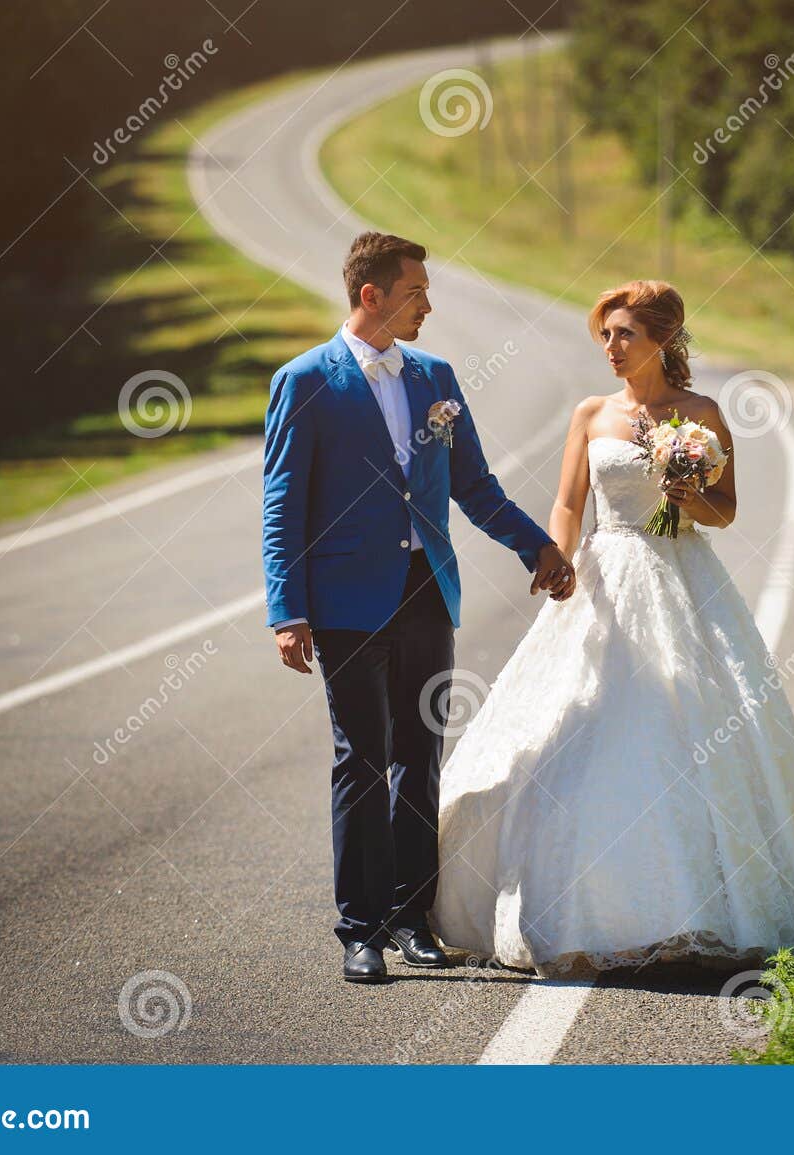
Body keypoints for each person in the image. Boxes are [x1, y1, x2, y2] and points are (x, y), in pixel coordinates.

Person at [430, 280, 794, 978]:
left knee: (688, 726)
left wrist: (690, 493)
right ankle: (587, 909)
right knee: (579, 732)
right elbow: (567, 502)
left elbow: (725, 512)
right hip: (602, 577)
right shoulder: (590, 413)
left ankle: (700, 911)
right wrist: (557, 559)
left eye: (624, 334)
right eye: (605, 336)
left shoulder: (702, 412)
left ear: (662, 340)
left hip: (682, 578)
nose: (611, 348)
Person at [262, 231, 576, 983]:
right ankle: (360, 929)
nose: (428, 305)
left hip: (427, 590)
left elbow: (474, 484)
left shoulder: (436, 376)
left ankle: (413, 918)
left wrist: (536, 546)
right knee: (361, 759)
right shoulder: (305, 381)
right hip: (343, 601)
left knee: (420, 755)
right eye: (416, 293)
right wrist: (287, 609)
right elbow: (282, 505)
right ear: (371, 295)